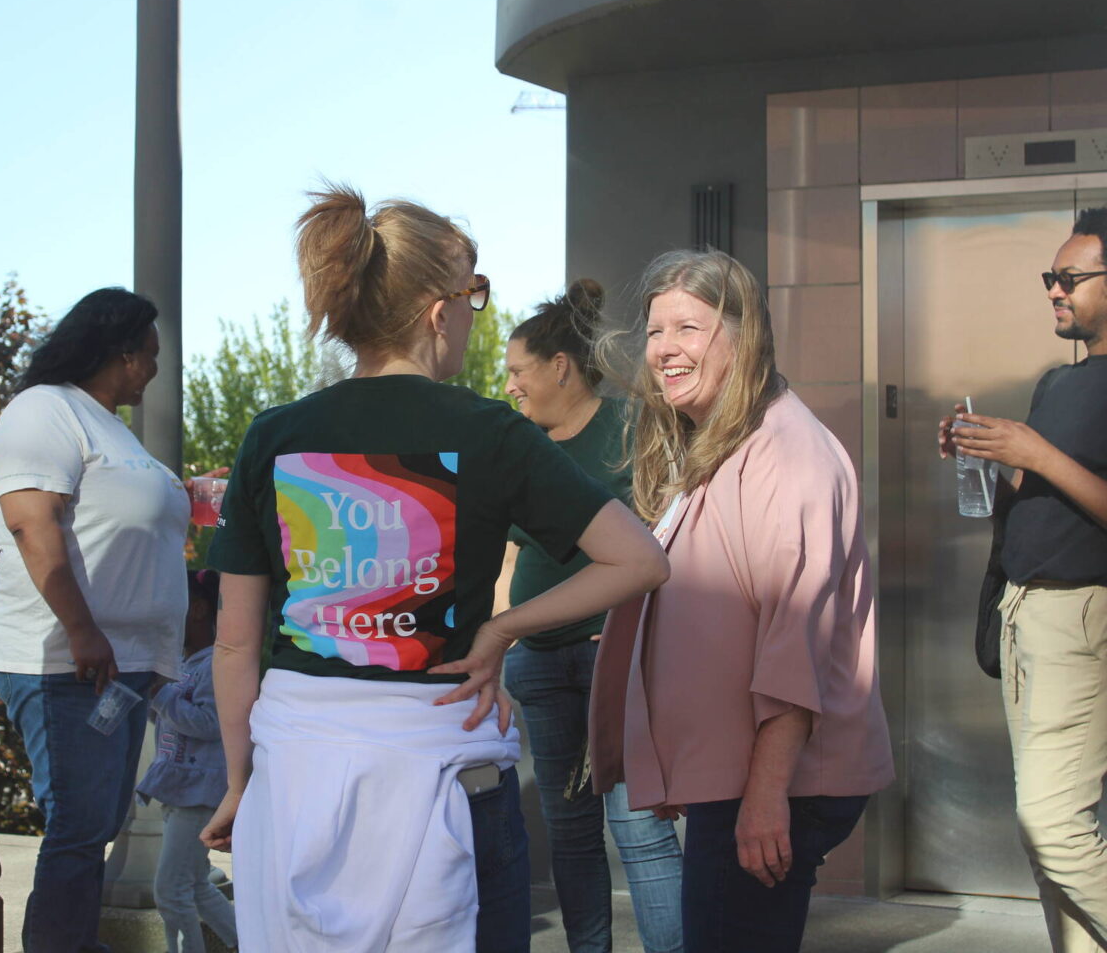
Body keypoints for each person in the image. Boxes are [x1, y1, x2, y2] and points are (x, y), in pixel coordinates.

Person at [201, 184, 670, 953]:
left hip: (293, 778)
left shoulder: (274, 436)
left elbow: (234, 643)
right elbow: (641, 560)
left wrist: (238, 781)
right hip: (449, 777)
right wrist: (501, 631)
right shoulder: (490, 432)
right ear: (436, 308)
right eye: (472, 294)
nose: (471, 315)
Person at [588, 248, 895, 953]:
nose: (665, 349)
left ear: (743, 334)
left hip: (774, 784)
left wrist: (763, 799)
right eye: (657, 329)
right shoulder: (728, 443)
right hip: (737, 776)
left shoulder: (787, 456)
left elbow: (795, 645)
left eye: (689, 328)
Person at [0, 287, 192, 953]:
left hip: (123, 660)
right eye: (150, 355)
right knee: (78, 824)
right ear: (120, 350)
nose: (156, 369)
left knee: (98, 820)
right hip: (67, 659)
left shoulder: (108, 423)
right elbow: (30, 520)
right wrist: (81, 629)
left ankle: (73, 941)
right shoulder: (44, 410)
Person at [939, 208, 1107, 953]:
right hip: (1023, 615)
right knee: (1042, 841)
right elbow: (1034, 500)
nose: (1054, 291)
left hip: (1081, 619)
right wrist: (991, 456)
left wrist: (1034, 452)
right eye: (1051, 277)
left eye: (1069, 278)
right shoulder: (1057, 384)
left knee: (1055, 824)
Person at [502, 280, 683, 953]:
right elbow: (504, 562)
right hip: (539, 662)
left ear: (559, 366)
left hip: (617, 655)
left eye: (519, 371)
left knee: (640, 826)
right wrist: (501, 649)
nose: (512, 386)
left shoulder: (632, 427)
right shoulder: (523, 447)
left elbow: (669, 537)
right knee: (569, 832)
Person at [137, 568, 239, 953]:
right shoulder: (186, 662)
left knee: (170, 891)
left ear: (196, 610)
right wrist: (153, 698)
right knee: (194, 885)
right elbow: (173, 719)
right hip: (181, 788)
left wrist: (161, 696)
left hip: (199, 792)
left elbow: (212, 723)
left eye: (170, 608)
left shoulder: (214, 665)